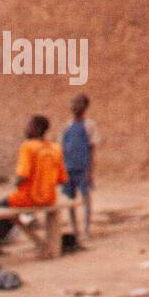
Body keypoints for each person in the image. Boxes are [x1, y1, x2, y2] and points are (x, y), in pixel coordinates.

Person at [0, 115, 68, 255]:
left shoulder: (28, 146)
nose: (26, 129)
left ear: (38, 129)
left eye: (29, 125)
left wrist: (16, 182)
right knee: (7, 210)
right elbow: (62, 179)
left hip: (29, 197)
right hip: (50, 198)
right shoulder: (55, 148)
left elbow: (22, 177)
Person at [60, 94, 98, 239]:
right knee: (70, 201)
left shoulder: (89, 125)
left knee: (86, 199)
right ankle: (74, 229)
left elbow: (92, 150)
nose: (75, 106)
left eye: (79, 104)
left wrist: (90, 171)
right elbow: (62, 149)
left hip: (83, 168)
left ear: (85, 107)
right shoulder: (67, 126)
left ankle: (86, 229)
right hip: (68, 168)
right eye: (73, 103)